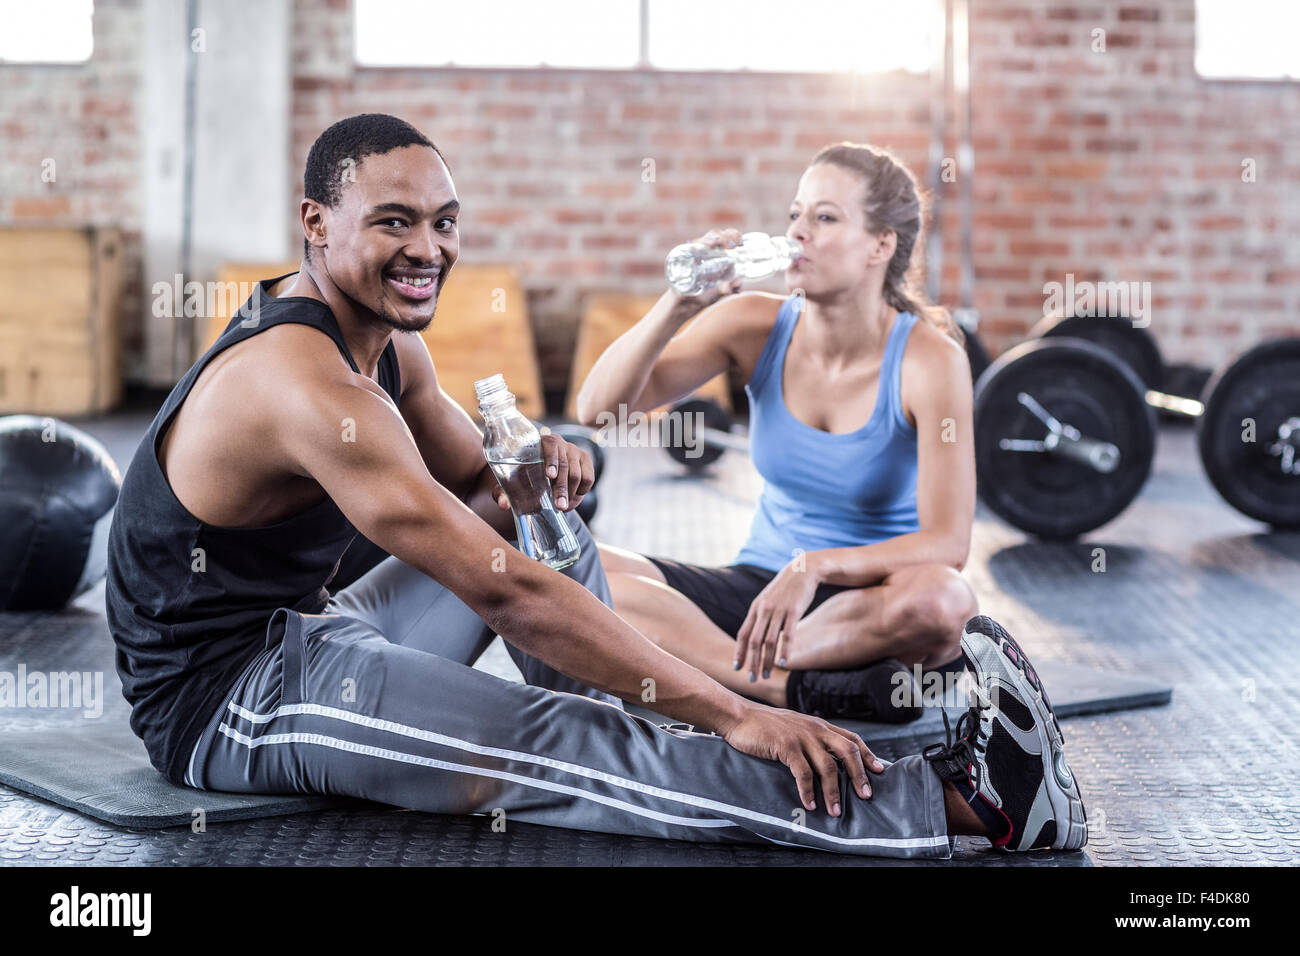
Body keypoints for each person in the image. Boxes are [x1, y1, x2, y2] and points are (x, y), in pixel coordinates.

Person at [105, 114, 1085, 856]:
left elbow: (494, 480)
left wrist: (541, 466)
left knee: (522, 517)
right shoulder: (305, 381)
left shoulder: (387, 350)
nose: (427, 249)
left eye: (443, 223)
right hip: (234, 695)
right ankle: (961, 808)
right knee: (552, 739)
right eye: (392, 222)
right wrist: (733, 710)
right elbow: (503, 589)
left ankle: (660, 696)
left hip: (317, 627)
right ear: (316, 223)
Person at [578, 143, 978, 724]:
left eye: (825, 217)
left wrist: (811, 566)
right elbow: (597, 408)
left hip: (870, 600)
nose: (798, 233)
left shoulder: (929, 360)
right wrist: (675, 305)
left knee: (944, 601)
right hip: (759, 594)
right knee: (575, 571)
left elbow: (949, 544)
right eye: (796, 214)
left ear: (880, 245)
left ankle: (713, 668)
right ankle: (779, 688)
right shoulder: (755, 324)